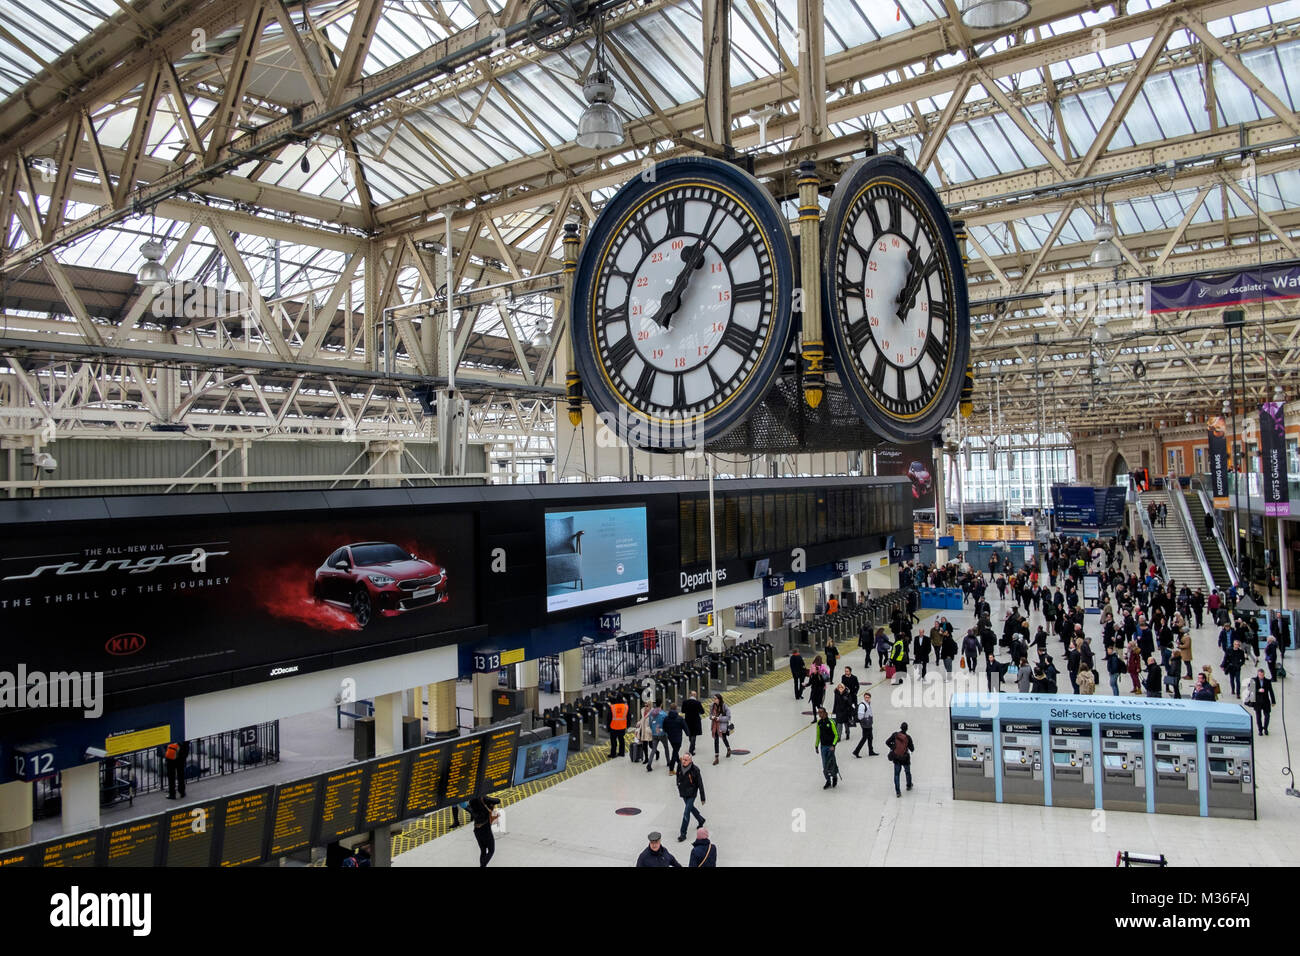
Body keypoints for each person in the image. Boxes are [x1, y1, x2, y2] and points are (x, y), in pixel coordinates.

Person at [466, 794, 501, 867]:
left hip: (477, 830)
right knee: (491, 850)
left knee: (483, 850)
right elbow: (498, 800)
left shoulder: (471, 801)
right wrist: (487, 799)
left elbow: (468, 808)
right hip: (486, 829)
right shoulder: (483, 799)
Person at [813, 706, 841, 788]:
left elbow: (836, 735)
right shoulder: (819, 723)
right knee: (825, 764)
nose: (820, 714)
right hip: (823, 747)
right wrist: (816, 745)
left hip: (830, 747)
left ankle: (834, 777)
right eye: (819, 713)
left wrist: (833, 745)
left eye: (821, 712)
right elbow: (818, 735)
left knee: (831, 763)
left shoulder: (831, 722)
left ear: (825, 713)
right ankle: (828, 780)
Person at [885, 722, 914, 797]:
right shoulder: (908, 737)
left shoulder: (895, 735)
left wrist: (893, 747)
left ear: (900, 727)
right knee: (907, 772)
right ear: (907, 729)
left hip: (896, 758)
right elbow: (912, 749)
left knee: (896, 774)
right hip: (905, 758)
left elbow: (887, 742)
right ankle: (909, 785)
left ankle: (898, 792)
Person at [1247, 669, 1276, 735]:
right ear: (1258, 674)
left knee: (1267, 716)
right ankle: (1260, 730)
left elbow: (1271, 691)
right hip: (1257, 702)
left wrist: (1273, 701)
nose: (1261, 676)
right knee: (1258, 717)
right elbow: (1250, 689)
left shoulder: (1267, 681)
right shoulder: (1253, 680)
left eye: (1262, 675)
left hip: (1266, 701)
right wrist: (1258, 690)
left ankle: (1265, 728)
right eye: (1260, 675)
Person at [662, 701, 685, 774]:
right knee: (675, 752)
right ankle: (671, 769)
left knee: (675, 749)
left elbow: (664, 728)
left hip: (670, 737)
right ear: (676, 709)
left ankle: (678, 761)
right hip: (678, 738)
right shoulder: (680, 718)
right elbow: (685, 727)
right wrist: (688, 734)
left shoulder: (666, 718)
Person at [709, 693, 732, 764]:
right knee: (716, 741)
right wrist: (712, 717)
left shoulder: (724, 706)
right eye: (713, 698)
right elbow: (710, 715)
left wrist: (720, 718)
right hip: (715, 726)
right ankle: (716, 758)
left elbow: (728, 717)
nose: (714, 700)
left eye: (715, 698)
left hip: (722, 726)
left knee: (724, 738)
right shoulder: (712, 706)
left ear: (719, 699)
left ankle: (728, 748)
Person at [852, 692, 877, 757]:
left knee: (870, 738)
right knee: (864, 738)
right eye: (866, 697)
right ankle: (856, 751)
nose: (867, 699)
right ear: (864, 697)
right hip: (865, 724)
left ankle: (871, 751)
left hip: (868, 724)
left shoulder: (868, 704)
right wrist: (866, 720)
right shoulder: (862, 705)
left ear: (870, 698)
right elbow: (860, 717)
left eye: (868, 697)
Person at [634, 703, 656, 771]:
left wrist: (651, 729)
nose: (645, 707)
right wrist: (639, 722)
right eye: (645, 705)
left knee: (651, 745)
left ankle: (657, 752)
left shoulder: (652, 713)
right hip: (643, 730)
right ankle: (646, 758)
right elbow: (642, 719)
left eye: (647, 706)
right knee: (644, 745)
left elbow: (654, 722)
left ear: (650, 706)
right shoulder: (642, 711)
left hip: (649, 731)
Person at [682, 690, 705, 755]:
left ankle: (692, 746)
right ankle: (691, 749)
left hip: (688, 720)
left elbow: (683, 711)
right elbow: (702, 712)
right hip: (695, 720)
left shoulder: (685, 702)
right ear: (695, 695)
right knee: (694, 735)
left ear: (690, 695)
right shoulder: (698, 703)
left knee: (690, 734)